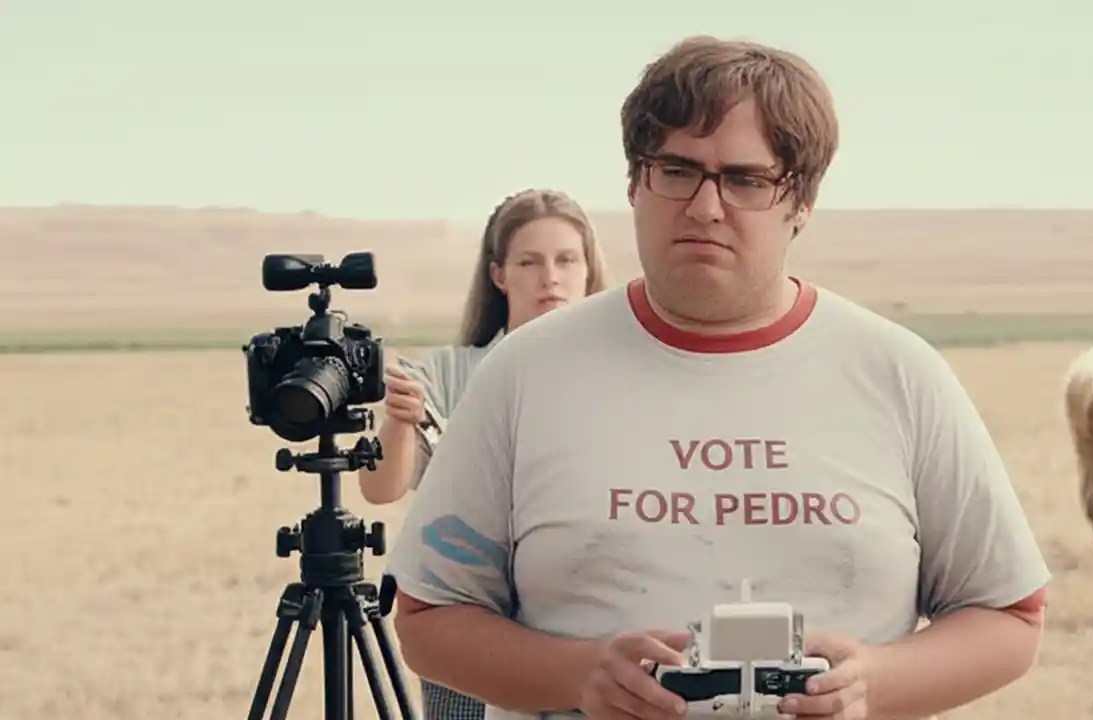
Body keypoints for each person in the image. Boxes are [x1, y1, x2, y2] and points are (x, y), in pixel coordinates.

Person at [387, 35, 1052, 720]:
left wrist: (874, 683)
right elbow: (429, 616)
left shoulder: (900, 375)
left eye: (746, 180)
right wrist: (581, 677)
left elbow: (1010, 616)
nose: (706, 207)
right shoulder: (523, 375)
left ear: (802, 202)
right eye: (676, 170)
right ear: (634, 183)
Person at [359, 187, 609, 719]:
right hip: (473, 630)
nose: (551, 277)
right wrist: (400, 422)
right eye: (530, 261)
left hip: (583, 633)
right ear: (499, 275)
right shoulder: (448, 373)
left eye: (567, 260)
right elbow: (381, 489)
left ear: (589, 270)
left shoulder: (624, 379)